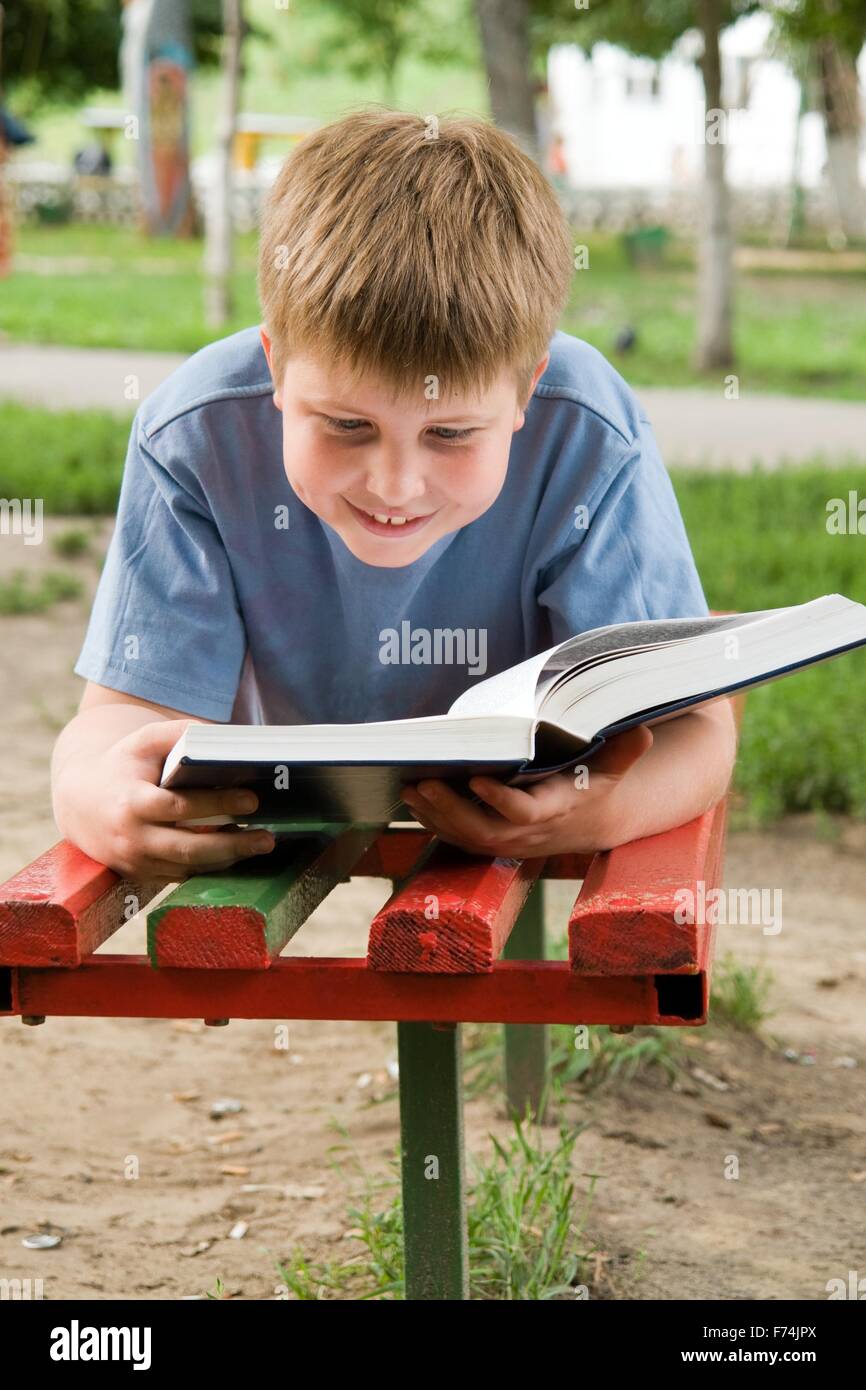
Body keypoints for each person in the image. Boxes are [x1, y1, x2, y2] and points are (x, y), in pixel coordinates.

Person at [51, 108, 736, 879]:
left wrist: (603, 809)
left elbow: (697, 731)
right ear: (275, 368)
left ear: (527, 391)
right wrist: (91, 795)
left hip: (527, 789)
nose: (395, 485)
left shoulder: (591, 433)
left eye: (450, 435)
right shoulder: (193, 435)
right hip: (274, 800)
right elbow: (116, 718)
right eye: (347, 424)